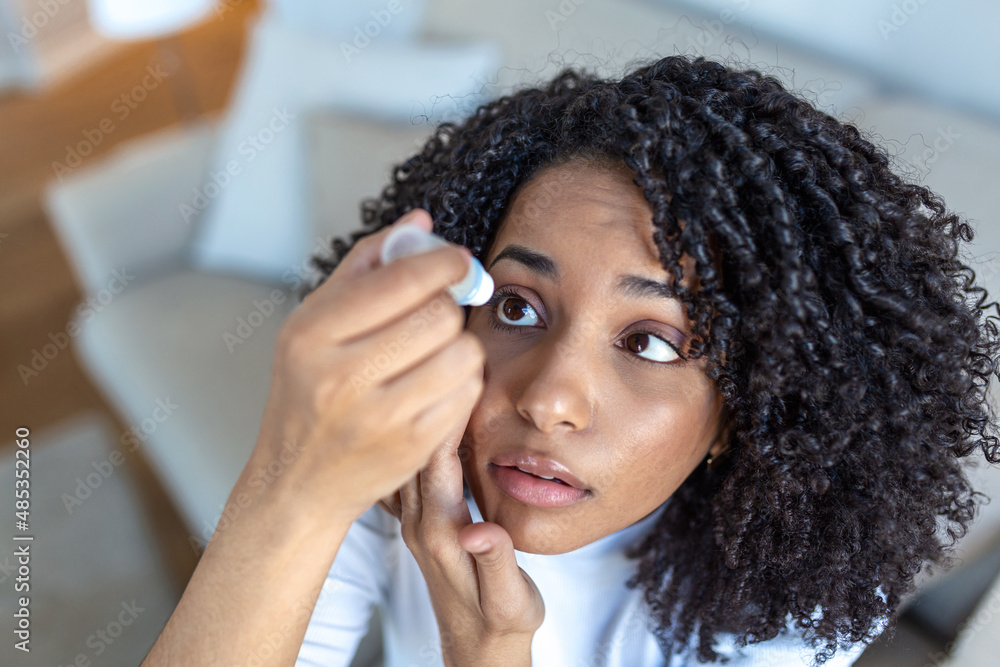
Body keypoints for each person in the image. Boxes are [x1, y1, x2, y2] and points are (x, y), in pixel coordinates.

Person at [143, 55, 1000, 666]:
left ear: (743, 414)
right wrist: (292, 478)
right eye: (518, 307)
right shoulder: (406, 467)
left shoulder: (784, 605)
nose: (549, 398)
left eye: (652, 341)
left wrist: (489, 650)